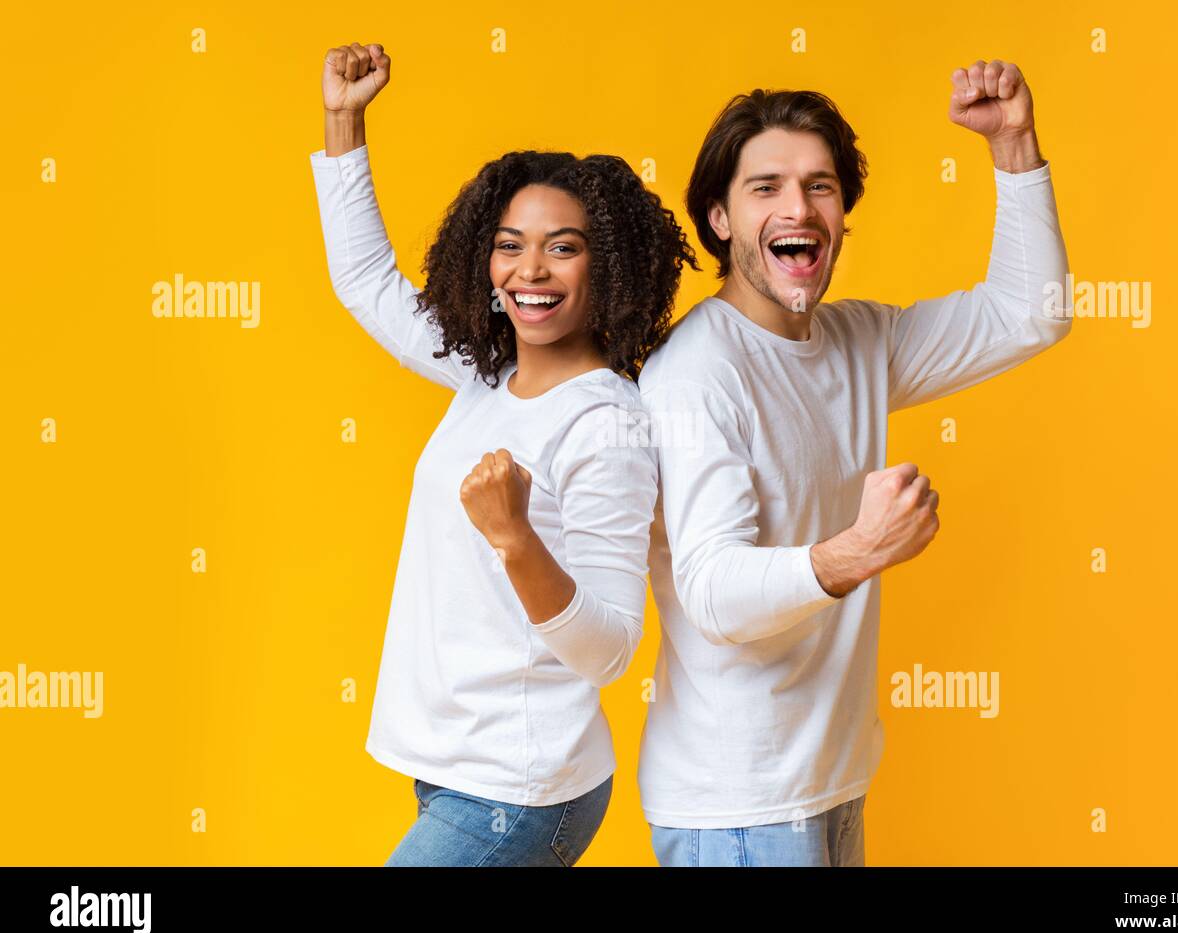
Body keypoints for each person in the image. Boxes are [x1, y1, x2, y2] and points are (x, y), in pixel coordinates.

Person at [637, 60, 1071, 866]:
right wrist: (857, 552)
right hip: (740, 809)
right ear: (720, 219)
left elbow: (1030, 315)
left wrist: (1012, 146)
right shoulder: (698, 374)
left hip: (829, 785)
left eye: (820, 187)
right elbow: (711, 592)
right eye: (765, 187)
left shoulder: (858, 342)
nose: (797, 207)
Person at [309, 42, 697, 866]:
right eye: (511, 244)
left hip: (517, 787)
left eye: (563, 247)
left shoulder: (606, 424)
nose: (531, 270)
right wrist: (345, 122)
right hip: (451, 767)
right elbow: (367, 284)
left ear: (610, 267)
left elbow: (611, 649)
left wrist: (516, 537)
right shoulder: (486, 375)